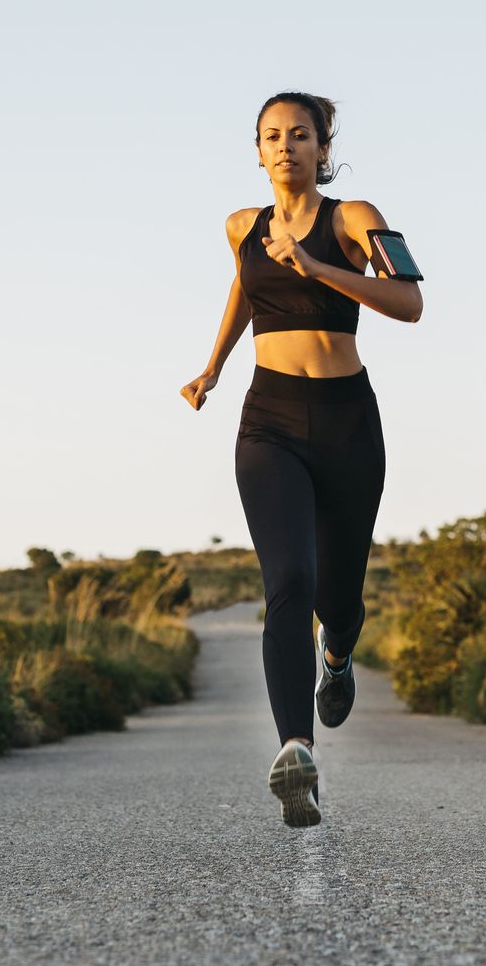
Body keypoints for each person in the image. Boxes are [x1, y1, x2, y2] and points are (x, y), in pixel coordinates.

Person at [180, 91, 425, 828]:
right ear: (257, 153)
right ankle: (297, 753)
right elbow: (244, 289)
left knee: (337, 600)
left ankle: (339, 654)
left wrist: (316, 269)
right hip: (270, 422)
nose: (285, 146)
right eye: (271, 137)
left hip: (348, 421)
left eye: (300, 135)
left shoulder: (355, 219)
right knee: (288, 579)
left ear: (323, 147)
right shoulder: (240, 227)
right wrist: (213, 366)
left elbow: (408, 302)